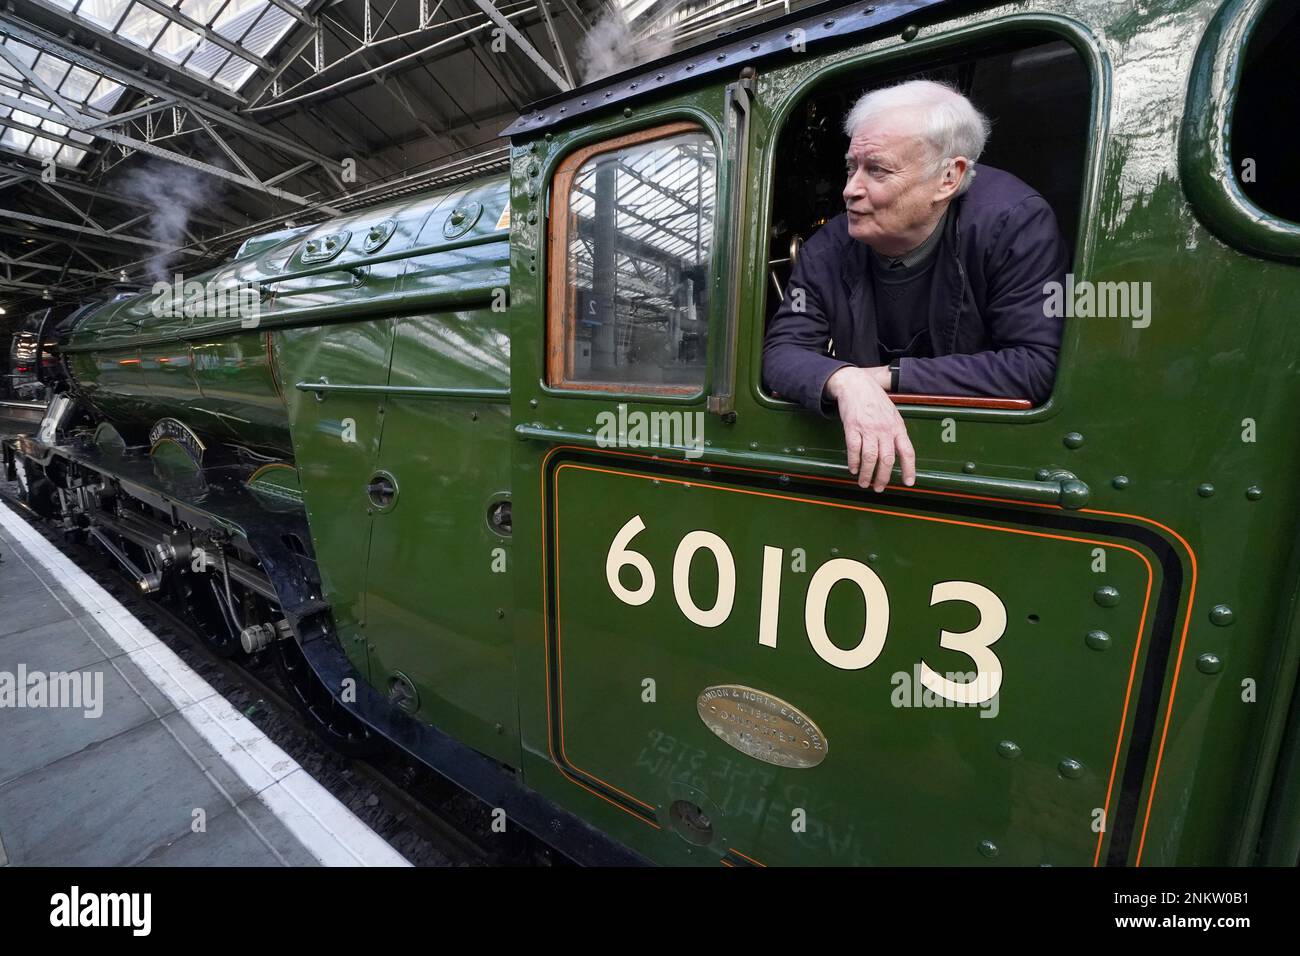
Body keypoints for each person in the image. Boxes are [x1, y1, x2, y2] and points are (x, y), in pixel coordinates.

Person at [762, 79, 1069, 492]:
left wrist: (884, 378)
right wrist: (845, 381)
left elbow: (1035, 368)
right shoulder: (829, 247)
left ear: (948, 177)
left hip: (986, 470)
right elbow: (781, 352)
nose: (850, 190)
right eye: (851, 167)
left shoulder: (1014, 225)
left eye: (877, 170)